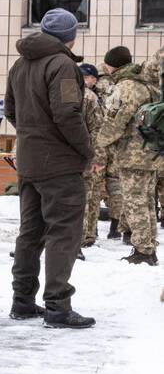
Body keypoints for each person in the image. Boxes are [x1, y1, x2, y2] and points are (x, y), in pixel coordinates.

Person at [5, 10, 95, 326]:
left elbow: (11, 111)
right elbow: (68, 114)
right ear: (71, 36)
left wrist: (33, 134)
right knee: (64, 232)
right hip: (59, 165)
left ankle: (23, 301)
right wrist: (87, 150)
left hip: (28, 161)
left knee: (31, 232)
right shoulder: (63, 65)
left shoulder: (20, 64)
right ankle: (58, 305)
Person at [94, 47, 161, 266]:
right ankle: (149, 244)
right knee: (148, 200)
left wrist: (98, 146)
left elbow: (114, 124)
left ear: (111, 65)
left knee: (134, 202)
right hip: (152, 152)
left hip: (133, 155)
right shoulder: (149, 83)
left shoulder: (125, 87)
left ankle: (143, 250)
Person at [100, 48, 130, 238]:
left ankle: (117, 227)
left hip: (112, 144)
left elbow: (113, 120)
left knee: (112, 186)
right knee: (119, 188)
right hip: (126, 147)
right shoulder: (139, 84)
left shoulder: (121, 88)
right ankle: (119, 227)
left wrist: (100, 143)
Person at [80, 64, 105, 248]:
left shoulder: (55, 91)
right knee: (86, 196)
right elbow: (97, 130)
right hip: (84, 155)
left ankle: (87, 234)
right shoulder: (89, 97)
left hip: (59, 155)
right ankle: (83, 237)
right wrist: (99, 157)